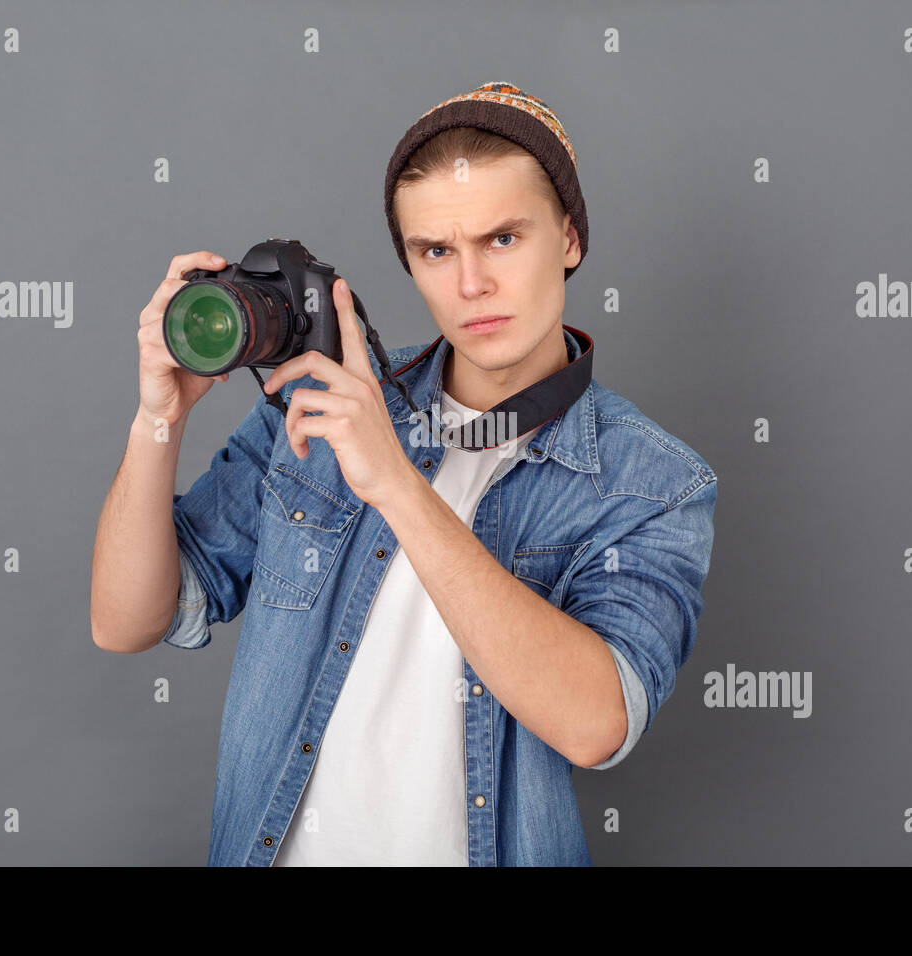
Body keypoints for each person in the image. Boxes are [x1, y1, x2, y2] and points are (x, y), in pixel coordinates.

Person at [90, 82, 717, 866]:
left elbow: (598, 726)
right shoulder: (312, 412)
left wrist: (397, 482)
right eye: (436, 251)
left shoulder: (654, 482)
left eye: (503, 240)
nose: (471, 286)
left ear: (569, 238)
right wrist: (161, 417)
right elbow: (124, 623)